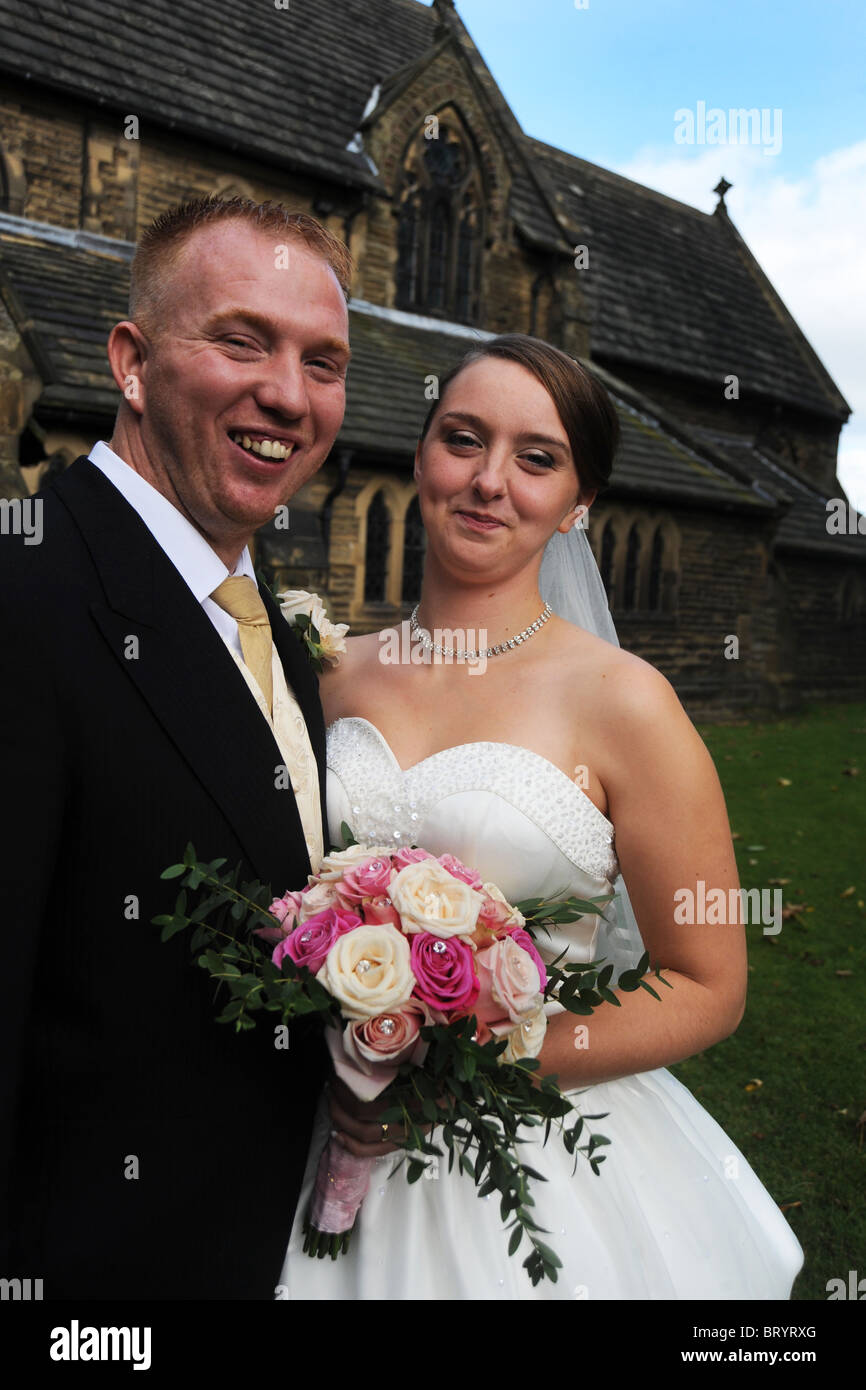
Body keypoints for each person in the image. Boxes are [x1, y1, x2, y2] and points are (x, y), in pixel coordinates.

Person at [277, 333, 805, 1299]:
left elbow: (707, 982)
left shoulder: (626, 703)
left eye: (536, 459)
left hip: (520, 1156)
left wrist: (468, 1069)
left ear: (579, 505)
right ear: (420, 455)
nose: (488, 482)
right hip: (308, 1122)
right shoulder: (325, 672)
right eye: (463, 440)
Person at [0, 196, 354, 1299]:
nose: (288, 396)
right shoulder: (26, 591)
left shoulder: (268, 623)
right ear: (132, 362)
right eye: (241, 339)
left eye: (322, 361)